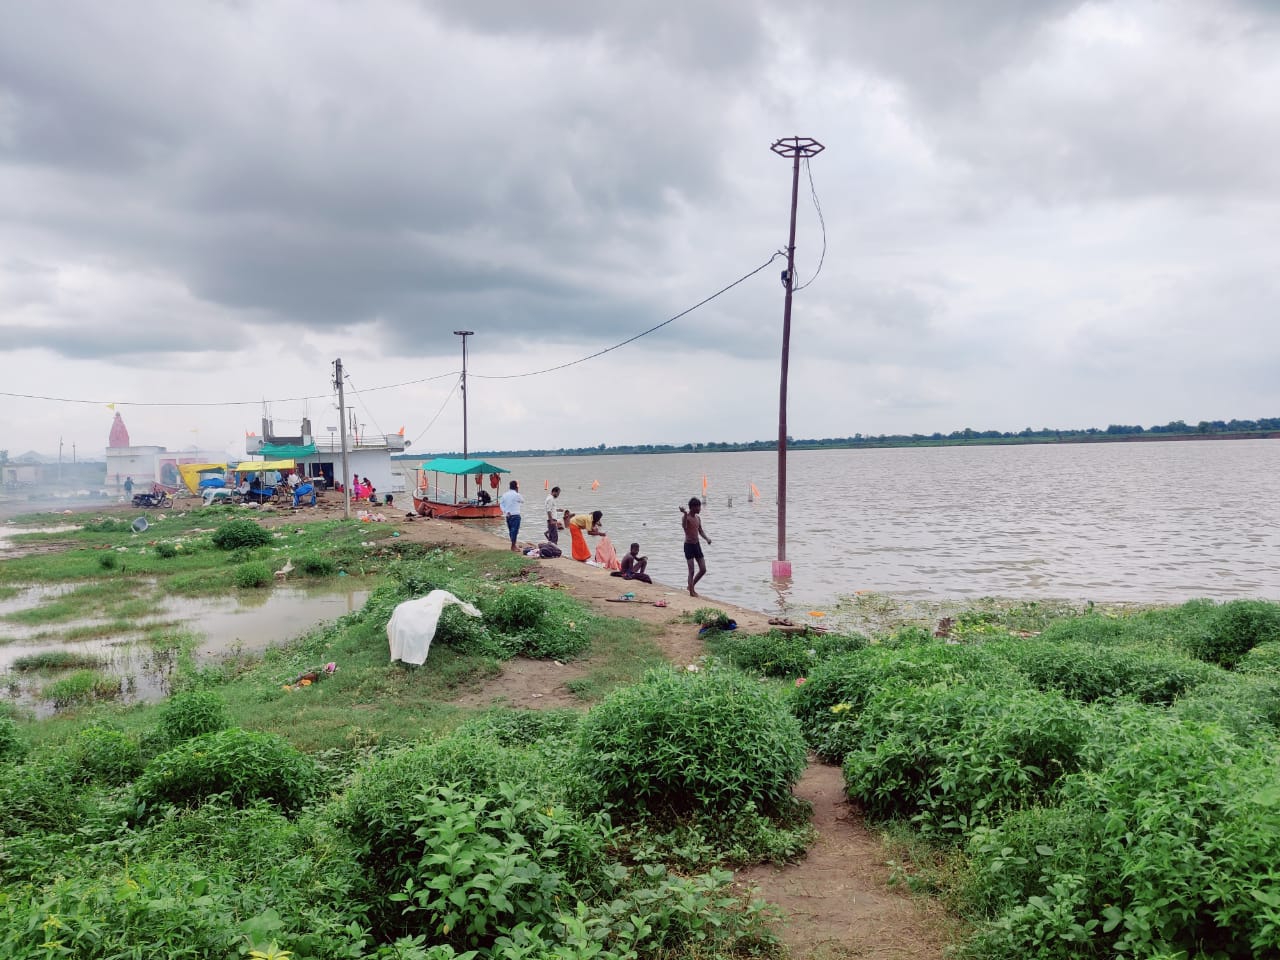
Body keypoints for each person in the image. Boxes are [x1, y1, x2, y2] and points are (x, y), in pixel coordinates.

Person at [680, 497, 711, 597]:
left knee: (703, 569)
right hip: (688, 546)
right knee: (691, 570)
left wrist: (706, 539)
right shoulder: (687, 517)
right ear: (693, 507)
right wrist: (684, 514)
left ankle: (691, 586)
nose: (700, 509)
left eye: (700, 506)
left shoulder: (698, 518)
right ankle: (691, 591)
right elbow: (684, 527)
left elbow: (700, 531)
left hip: (697, 545)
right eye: (698, 507)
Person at [499, 480, 524, 551]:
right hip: (515, 515)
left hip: (508, 515)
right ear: (516, 487)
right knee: (515, 531)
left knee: (511, 531)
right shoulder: (517, 495)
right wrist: (517, 492)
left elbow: (501, 504)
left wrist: (505, 511)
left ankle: (513, 545)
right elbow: (522, 500)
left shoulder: (505, 494)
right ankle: (513, 546)